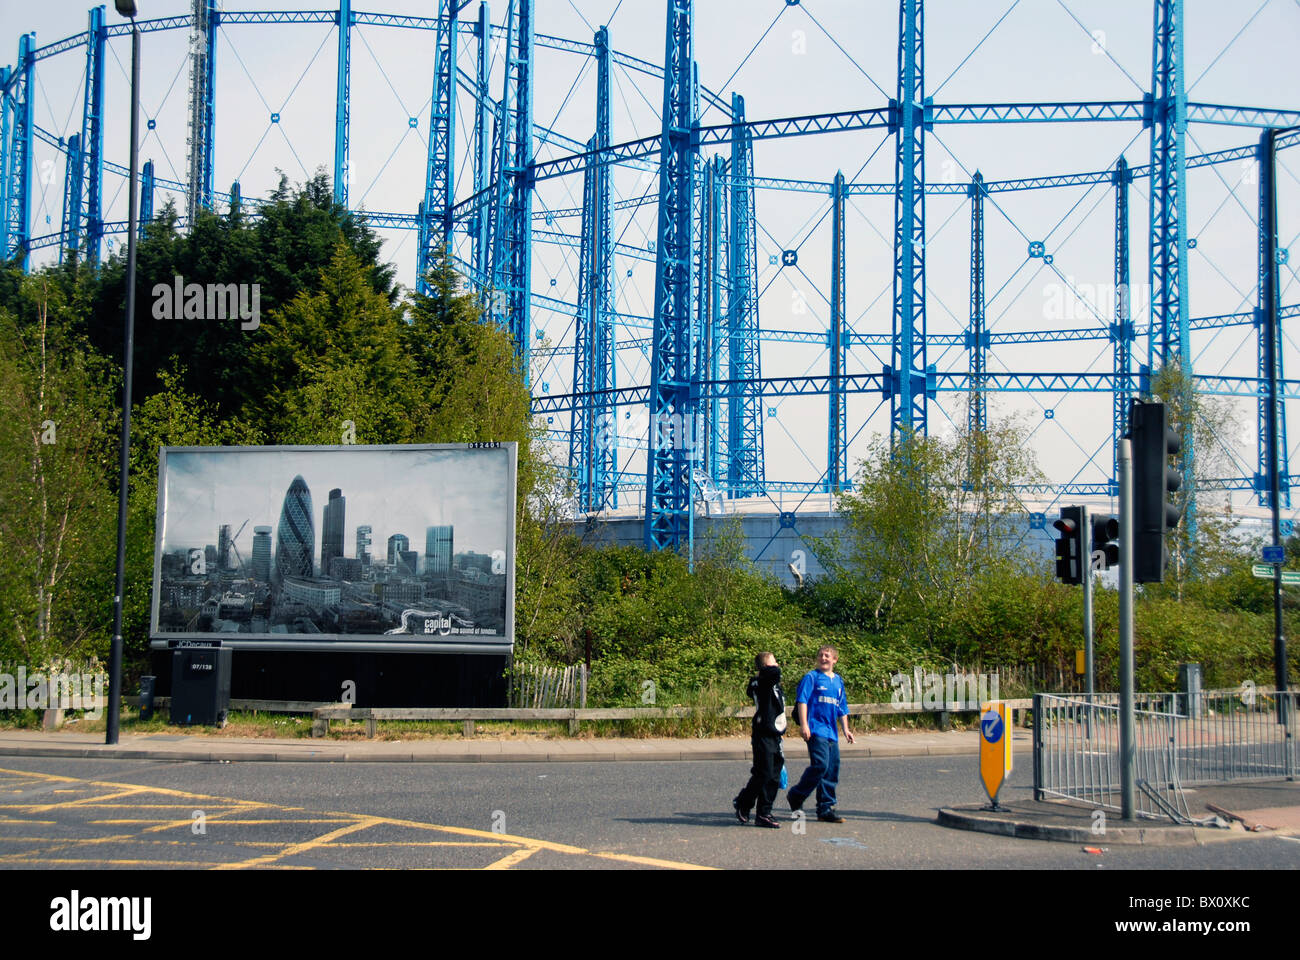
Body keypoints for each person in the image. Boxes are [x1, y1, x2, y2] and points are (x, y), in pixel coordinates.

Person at [787, 645, 854, 822]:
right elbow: (802, 700)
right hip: (816, 729)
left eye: (827, 656)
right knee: (820, 765)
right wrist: (804, 725)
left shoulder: (838, 681)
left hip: (832, 732)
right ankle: (796, 795)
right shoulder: (811, 677)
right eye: (821, 655)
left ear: (834, 660)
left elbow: (842, 707)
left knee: (832, 768)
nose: (823, 658)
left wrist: (846, 729)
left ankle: (825, 808)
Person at [732, 652, 786, 829]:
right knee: (764, 773)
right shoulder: (765, 681)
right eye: (774, 662)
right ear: (766, 667)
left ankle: (764, 812)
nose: (777, 665)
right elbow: (773, 674)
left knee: (774, 775)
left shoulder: (767, 683)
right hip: (764, 734)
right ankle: (744, 802)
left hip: (775, 735)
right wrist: (769, 668)